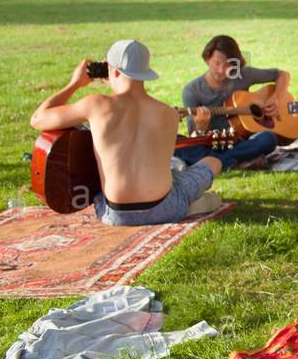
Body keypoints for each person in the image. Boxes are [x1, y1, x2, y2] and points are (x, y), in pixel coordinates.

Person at [30, 40, 223, 225]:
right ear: (145, 73)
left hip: (114, 214)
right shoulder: (169, 114)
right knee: (212, 163)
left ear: (111, 71)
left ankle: (184, 204)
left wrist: (75, 83)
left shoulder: (96, 105)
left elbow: (37, 119)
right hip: (166, 208)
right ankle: (186, 206)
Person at [179, 35, 290, 171]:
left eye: (228, 64)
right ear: (208, 59)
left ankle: (217, 162)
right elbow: (194, 138)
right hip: (210, 143)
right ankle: (234, 161)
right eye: (217, 63)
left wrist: (276, 97)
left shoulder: (243, 74)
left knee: (269, 138)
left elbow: (282, 75)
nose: (222, 70)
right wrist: (201, 128)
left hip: (241, 142)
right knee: (177, 143)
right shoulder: (192, 91)